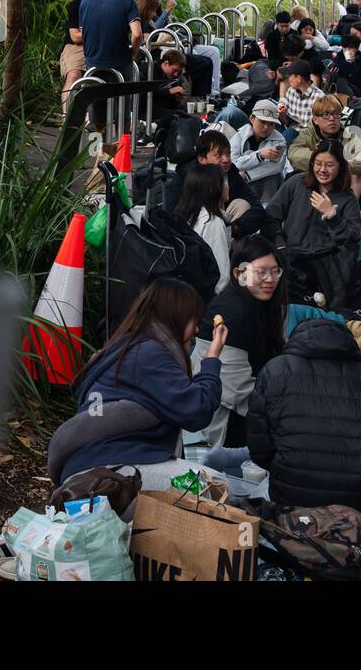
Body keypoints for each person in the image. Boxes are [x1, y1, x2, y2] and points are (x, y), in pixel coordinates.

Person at [50, 278, 226, 492]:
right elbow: (197, 409)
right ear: (176, 317)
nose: (197, 329)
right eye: (193, 320)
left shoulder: (126, 347)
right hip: (109, 471)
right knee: (215, 488)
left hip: (94, 468)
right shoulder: (148, 353)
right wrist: (212, 360)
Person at [246, 318, 361, 516]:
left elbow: (259, 444)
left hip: (291, 493)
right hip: (360, 500)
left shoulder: (275, 371)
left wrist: (284, 465)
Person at [193, 235, 287, 452]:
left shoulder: (261, 305)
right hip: (226, 423)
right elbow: (236, 390)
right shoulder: (231, 314)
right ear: (239, 274)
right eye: (261, 272)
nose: (270, 279)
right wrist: (286, 410)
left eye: (275, 271)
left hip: (253, 406)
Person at [265, 139, 361, 310]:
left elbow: (353, 238)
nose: (322, 170)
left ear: (340, 166)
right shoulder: (297, 183)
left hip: (327, 271)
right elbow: (270, 216)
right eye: (318, 163)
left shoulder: (347, 198)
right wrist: (280, 246)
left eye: (329, 165)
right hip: (291, 260)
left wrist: (332, 216)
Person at [79, 0, 143, 133]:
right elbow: (137, 34)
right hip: (120, 62)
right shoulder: (127, 1)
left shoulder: (85, 3)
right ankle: (121, 151)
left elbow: (83, 34)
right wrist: (133, 53)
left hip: (93, 63)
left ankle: (99, 154)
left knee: (96, 114)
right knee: (122, 112)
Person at [287, 94, 361, 199]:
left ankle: (351, 209)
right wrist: (323, 161)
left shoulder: (347, 136)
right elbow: (294, 154)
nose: (332, 119)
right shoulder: (307, 134)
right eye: (326, 114)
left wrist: (344, 164)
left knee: (359, 172)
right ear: (315, 119)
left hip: (340, 181)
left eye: (337, 114)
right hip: (316, 181)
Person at [193, 129, 269, 239]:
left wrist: (234, 229)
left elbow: (257, 208)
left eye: (228, 154)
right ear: (202, 159)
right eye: (218, 155)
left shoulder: (232, 173)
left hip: (229, 231)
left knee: (241, 204)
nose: (226, 160)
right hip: (200, 234)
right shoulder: (191, 178)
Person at [177, 163, 231, 293]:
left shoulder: (185, 214)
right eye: (223, 181)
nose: (227, 186)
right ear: (213, 189)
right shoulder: (213, 223)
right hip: (206, 300)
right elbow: (221, 278)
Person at [231, 99, 287, 202]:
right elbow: (233, 164)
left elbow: (276, 167)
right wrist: (259, 155)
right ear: (252, 119)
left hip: (268, 189)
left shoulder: (279, 141)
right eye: (262, 122)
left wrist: (248, 175)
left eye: (271, 124)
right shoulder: (239, 135)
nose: (266, 127)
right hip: (241, 184)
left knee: (274, 174)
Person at [61, 0, 97, 116]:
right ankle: (67, 115)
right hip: (76, 47)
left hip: (98, 46)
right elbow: (75, 36)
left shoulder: (106, 6)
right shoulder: (76, 5)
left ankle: (93, 117)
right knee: (74, 75)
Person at [278, 59, 325, 140]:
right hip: (293, 129)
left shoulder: (319, 97)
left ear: (298, 78)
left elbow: (321, 126)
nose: (288, 79)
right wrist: (281, 112)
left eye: (290, 76)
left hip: (310, 136)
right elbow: (286, 121)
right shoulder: (291, 91)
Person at [330, 33, 361, 99]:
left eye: (350, 48)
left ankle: (352, 99)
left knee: (341, 81)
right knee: (338, 79)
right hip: (340, 92)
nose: (347, 50)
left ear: (357, 49)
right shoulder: (338, 59)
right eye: (345, 47)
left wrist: (352, 64)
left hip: (359, 91)